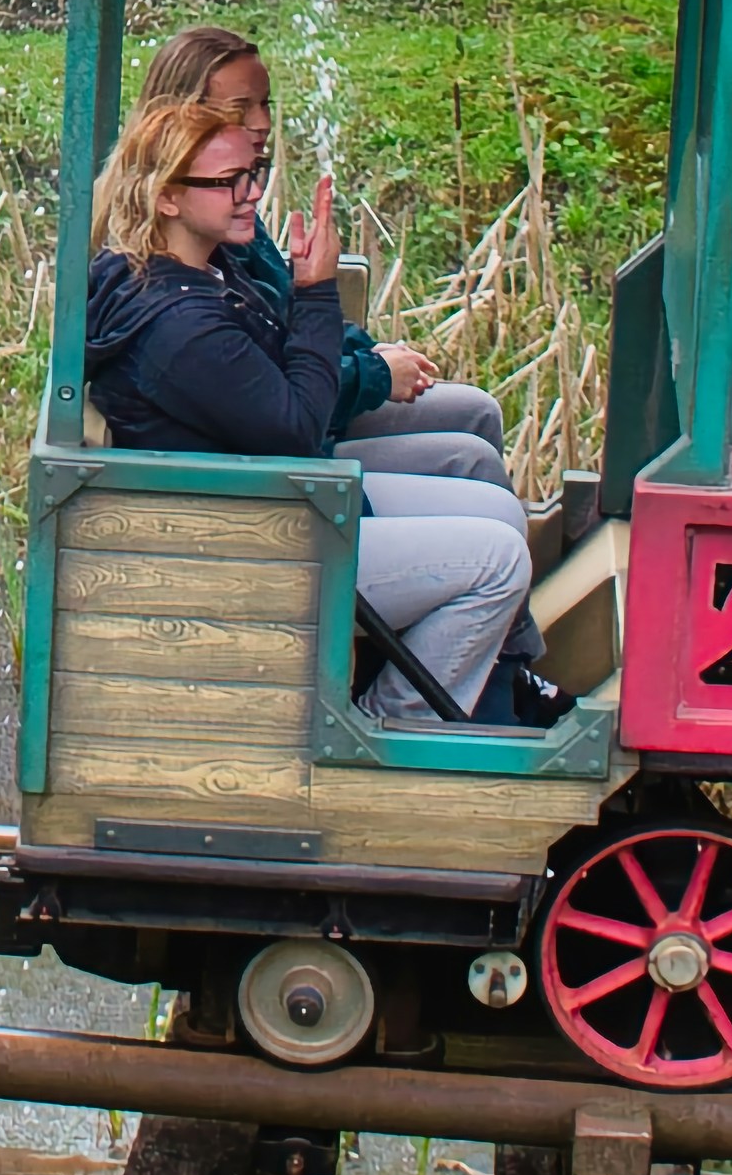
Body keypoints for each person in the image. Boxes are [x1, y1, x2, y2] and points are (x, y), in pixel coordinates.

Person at [81, 93, 549, 728]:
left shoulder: (202, 273)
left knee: (497, 509)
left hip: (272, 507)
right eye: (226, 183)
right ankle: (390, 732)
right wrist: (314, 289)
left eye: (251, 176)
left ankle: (468, 689)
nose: (248, 193)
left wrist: (313, 301)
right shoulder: (181, 331)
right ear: (167, 198)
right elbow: (300, 428)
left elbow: (286, 388)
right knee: (499, 562)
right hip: (253, 550)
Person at [138, 25, 515, 495]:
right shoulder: (184, 264)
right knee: (471, 465)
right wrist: (370, 375)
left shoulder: (222, 221)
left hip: (301, 415)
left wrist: (361, 352)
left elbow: (278, 319)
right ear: (185, 118)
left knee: (477, 412)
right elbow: (274, 401)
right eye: (240, 108)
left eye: (265, 105)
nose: (261, 124)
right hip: (282, 462)